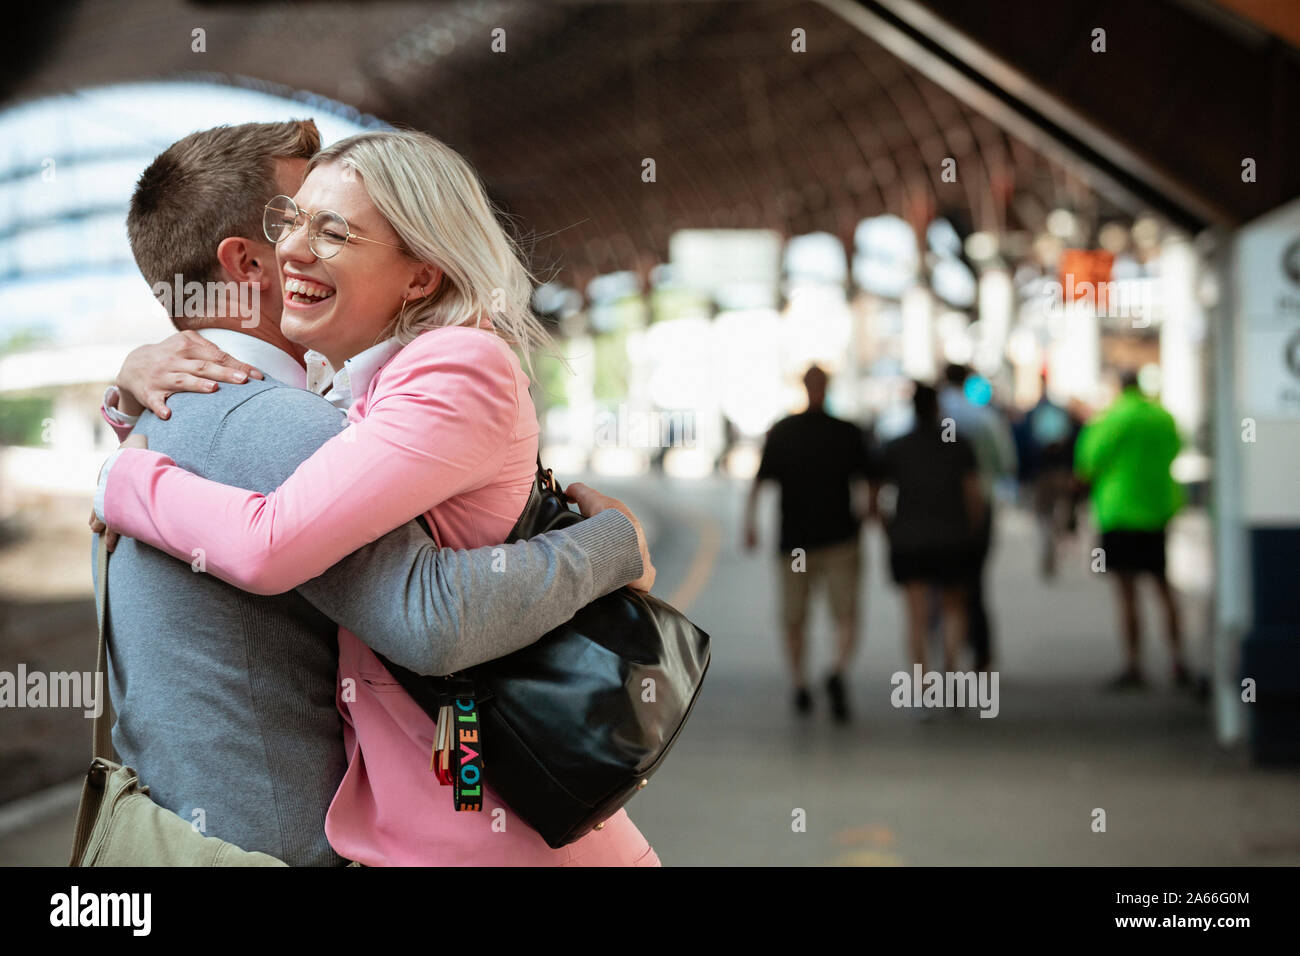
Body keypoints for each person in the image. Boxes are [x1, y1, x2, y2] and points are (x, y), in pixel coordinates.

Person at [94, 125, 659, 866]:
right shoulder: (276, 417)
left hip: (466, 826)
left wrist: (117, 475)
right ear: (246, 261)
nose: (298, 245)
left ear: (420, 273)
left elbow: (428, 616)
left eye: (331, 229)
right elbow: (427, 618)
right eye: (289, 218)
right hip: (304, 841)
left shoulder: (188, 417)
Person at [743, 365, 872, 721]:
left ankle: (805, 681)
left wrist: (750, 524)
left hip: (802, 543)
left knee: (797, 616)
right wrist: (871, 511)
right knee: (840, 614)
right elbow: (869, 479)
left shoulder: (786, 431)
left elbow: (760, 483)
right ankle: (834, 671)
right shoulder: (846, 431)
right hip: (835, 540)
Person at [1075, 369, 1187, 690]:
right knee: (1163, 588)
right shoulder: (1162, 417)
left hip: (1119, 512)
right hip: (1156, 510)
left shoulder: (1110, 419)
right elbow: (1176, 449)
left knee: (1127, 593)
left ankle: (1134, 664)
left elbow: (1088, 462)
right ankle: (1178, 660)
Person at [875, 383, 984, 692]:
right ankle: (950, 672)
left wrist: (889, 529)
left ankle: (923, 687)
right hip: (952, 538)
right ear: (938, 407)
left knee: (917, 616)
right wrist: (971, 531)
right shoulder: (958, 445)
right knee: (954, 608)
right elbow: (973, 495)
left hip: (910, 540)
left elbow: (877, 496)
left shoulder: (897, 446)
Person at [939, 364, 1016, 670]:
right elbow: (1006, 463)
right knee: (974, 583)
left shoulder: (933, 416)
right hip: (981, 508)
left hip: (938, 510)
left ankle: (947, 656)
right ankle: (980, 654)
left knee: (942, 588)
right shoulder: (984, 417)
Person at [1017, 373, 1083, 579]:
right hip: (1059, 471)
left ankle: (1049, 549)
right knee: (1055, 514)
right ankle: (1052, 546)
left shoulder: (1033, 414)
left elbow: (1024, 446)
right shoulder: (1059, 413)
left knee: (1044, 516)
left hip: (1042, 473)